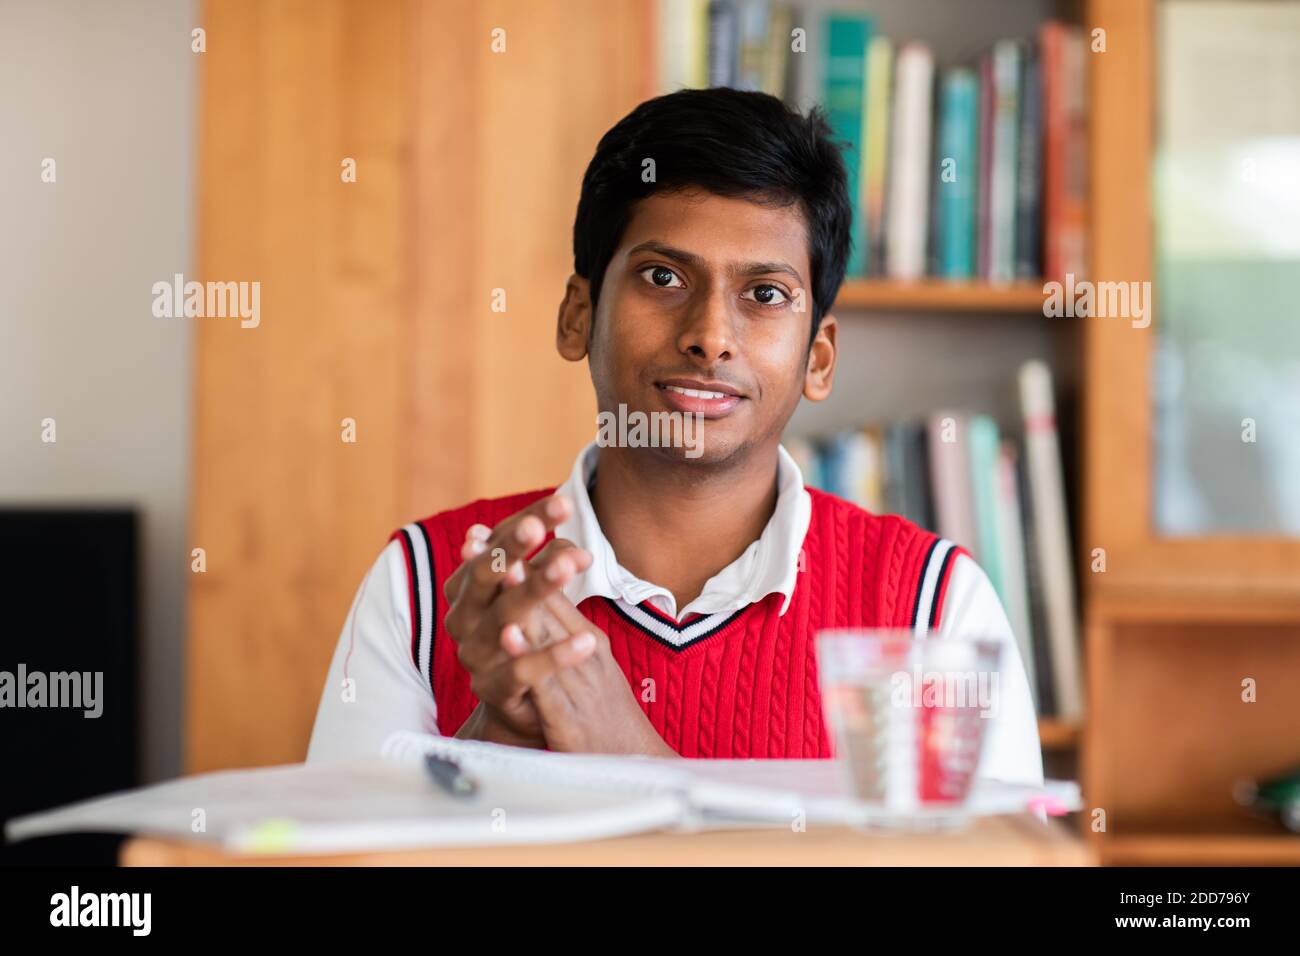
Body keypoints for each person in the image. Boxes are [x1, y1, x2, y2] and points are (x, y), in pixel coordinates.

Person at [307, 88, 1042, 784]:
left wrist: (628, 759)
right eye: (663, 277)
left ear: (818, 358)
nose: (710, 336)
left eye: (765, 294)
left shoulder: (935, 609)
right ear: (577, 317)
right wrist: (498, 738)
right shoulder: (423, 584)